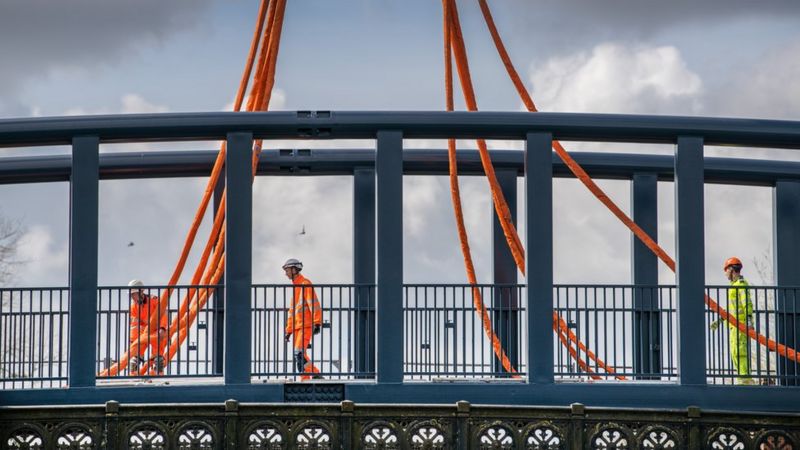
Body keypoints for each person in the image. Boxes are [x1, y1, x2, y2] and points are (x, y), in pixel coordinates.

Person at [711, 257, 755, 385]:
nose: (725, 274)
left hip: (741, 325)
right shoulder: (733, 286)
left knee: (741, 352)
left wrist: (749, 320)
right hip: (734, 326)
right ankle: (742, 378)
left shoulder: (741, 284)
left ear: (731, 270)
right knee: (735, 352)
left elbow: (747, 303)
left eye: (726, 271)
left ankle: (746, 379)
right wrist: (720, 320)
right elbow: (731, 309)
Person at [282, 259, 323, 380]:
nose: (286, 273)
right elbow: (292, 312)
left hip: (305, 325)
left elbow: (314, 303)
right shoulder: (296, 288)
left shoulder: (305, 284)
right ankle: (305, 379)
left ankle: (316, 374)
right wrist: (288, 331)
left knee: (298, 352)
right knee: (299, 355)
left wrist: (317, 322)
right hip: (297, 327)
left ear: (294, 270)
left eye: (287, 270)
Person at [127, 279, 168, 375]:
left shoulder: (154, 300)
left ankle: (158, 375)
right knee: (135, 357)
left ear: (141, 292)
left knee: (158, 357)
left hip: (156, 331)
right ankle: (133, 376)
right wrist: (133, 341)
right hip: (143, 333)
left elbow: (163, 314)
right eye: (131, 295)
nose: (132, 297)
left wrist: (162, 328)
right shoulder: (133, 307)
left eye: (133, 294)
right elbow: (134, 326)